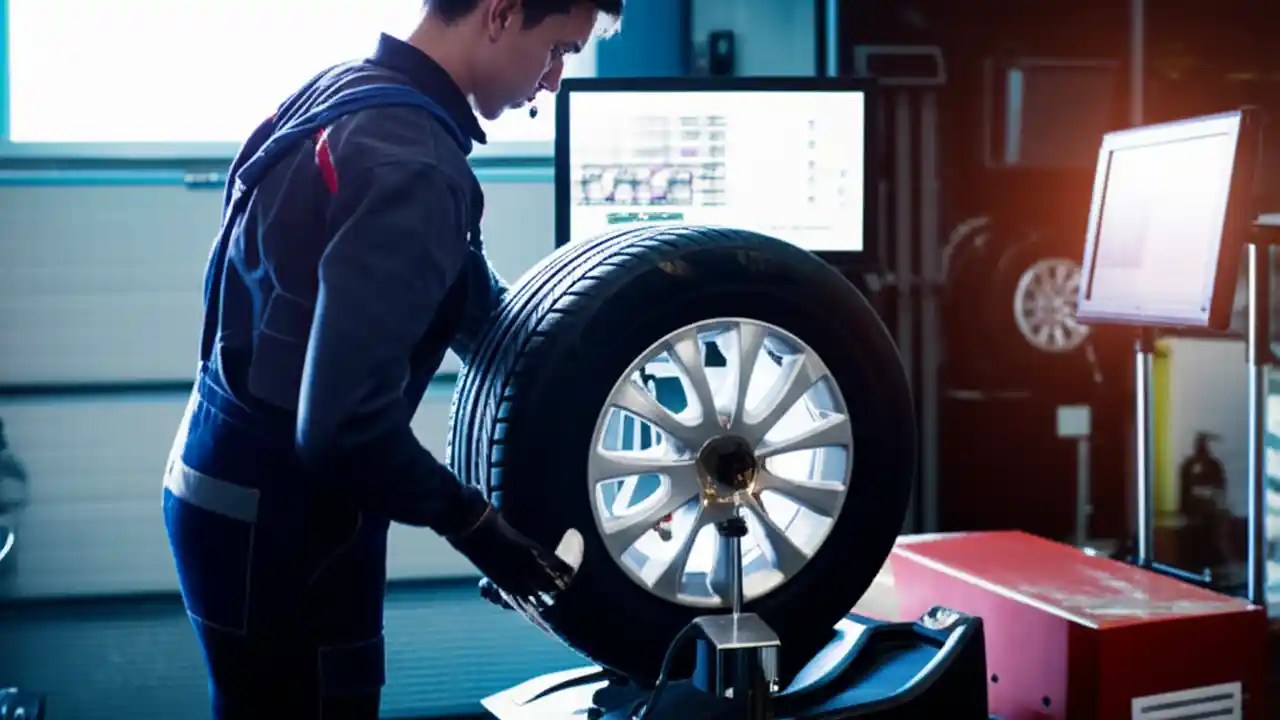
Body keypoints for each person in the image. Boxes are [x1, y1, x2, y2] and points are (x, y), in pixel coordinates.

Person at [161, 1, 624, 718]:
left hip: (225, 484)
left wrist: (594, 375)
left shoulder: (352, 94)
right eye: (558, 48)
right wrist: (476, 527)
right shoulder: (411, 162)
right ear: (500, 13)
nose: (554, 79)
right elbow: (345, 426)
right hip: (285, 528)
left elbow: (473, 310)